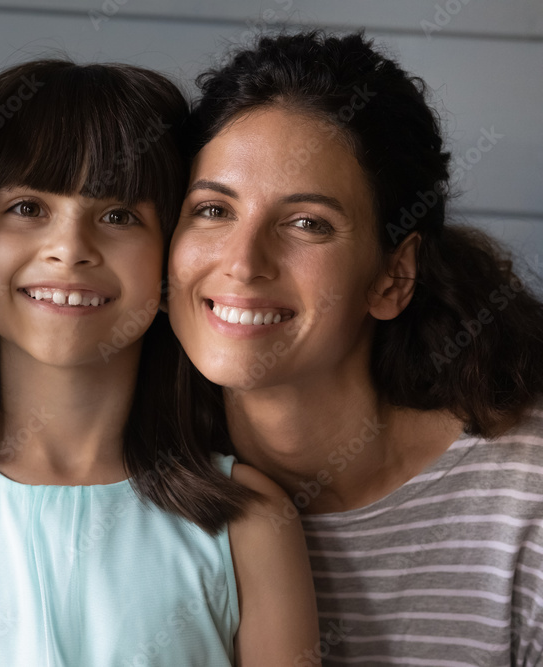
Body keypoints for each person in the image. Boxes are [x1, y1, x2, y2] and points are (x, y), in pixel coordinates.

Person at [0, 59, 318, 667]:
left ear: (171, 255)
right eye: (28, 207)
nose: (70, 250)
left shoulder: (250, 525)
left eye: (118, 216)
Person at [169, 30, 543, 665]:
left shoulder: (524, 496)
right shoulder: (137, 482)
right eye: (213, 210)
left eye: (307, 223)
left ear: (392, 276)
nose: (243, 262)